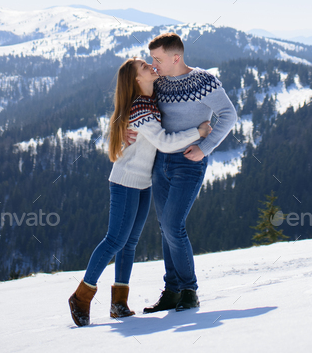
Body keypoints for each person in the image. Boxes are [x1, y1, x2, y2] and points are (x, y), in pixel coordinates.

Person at [68, 57, 212, 327]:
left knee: (129, 244)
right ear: (136, 80)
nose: (151, 67)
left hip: (143, 182)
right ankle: (82, 295)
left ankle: (119, 303)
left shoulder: (150, 99)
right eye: (145, 67)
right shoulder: (140, 108)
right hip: (125, 182)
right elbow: (163, 140)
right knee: (115, 240)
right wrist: (198, 131)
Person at [130, 32, 237, 314]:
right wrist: (129, 131)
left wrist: (205, 148)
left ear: (176, 57)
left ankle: (189, 290)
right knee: (165, 228)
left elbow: (228, 114)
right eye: (152, 59)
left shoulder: (203, 81)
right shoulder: (160, 82)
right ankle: (172, 291)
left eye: (158, 59)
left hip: (189, 162)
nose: (154, 65)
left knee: (173, 225)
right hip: (160, 162)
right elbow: (142, 106)